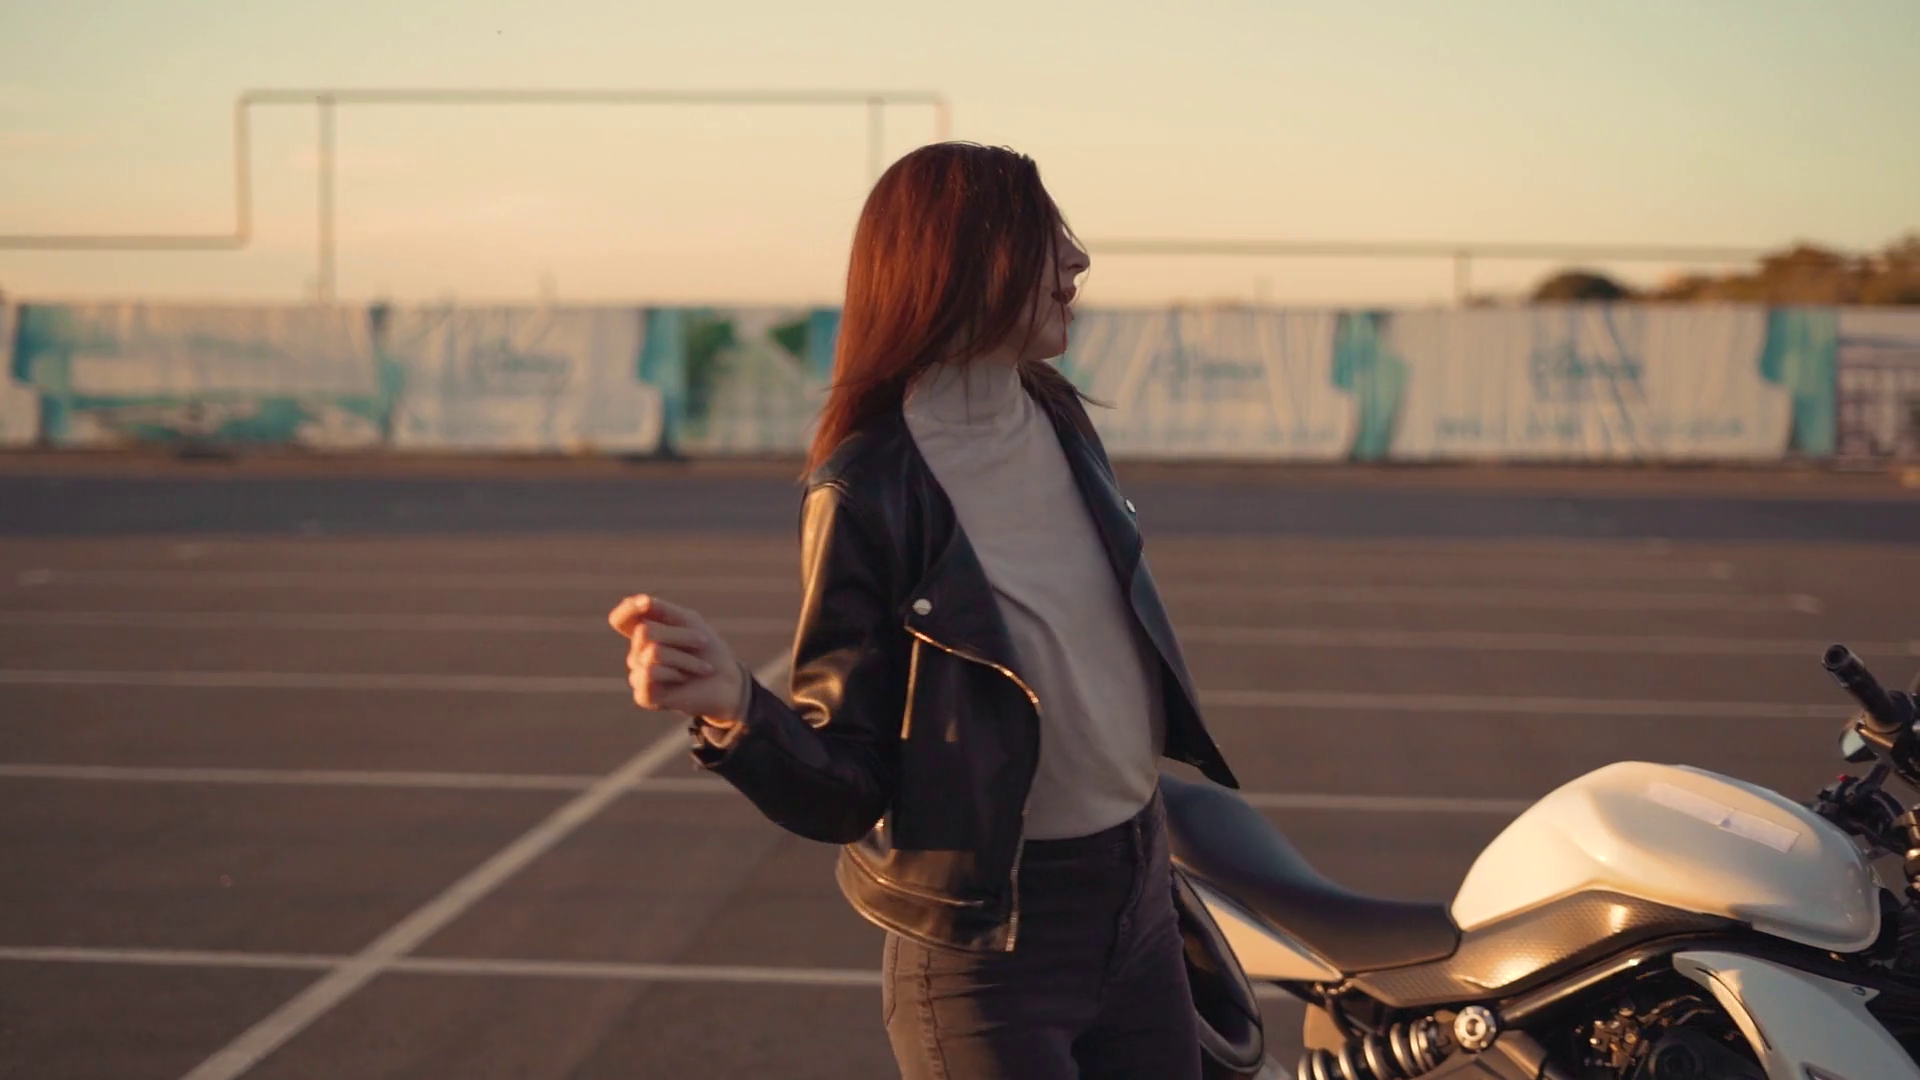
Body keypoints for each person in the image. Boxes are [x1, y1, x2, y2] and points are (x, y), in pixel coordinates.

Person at [608, 141, 1239, 1080]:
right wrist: (737, 707)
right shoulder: (867, 488)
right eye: (1045, 237)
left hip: (1140, 904)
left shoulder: (1062, 419)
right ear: (960, 260)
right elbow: (851, 784)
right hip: (989, 960)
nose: (1077, 260)